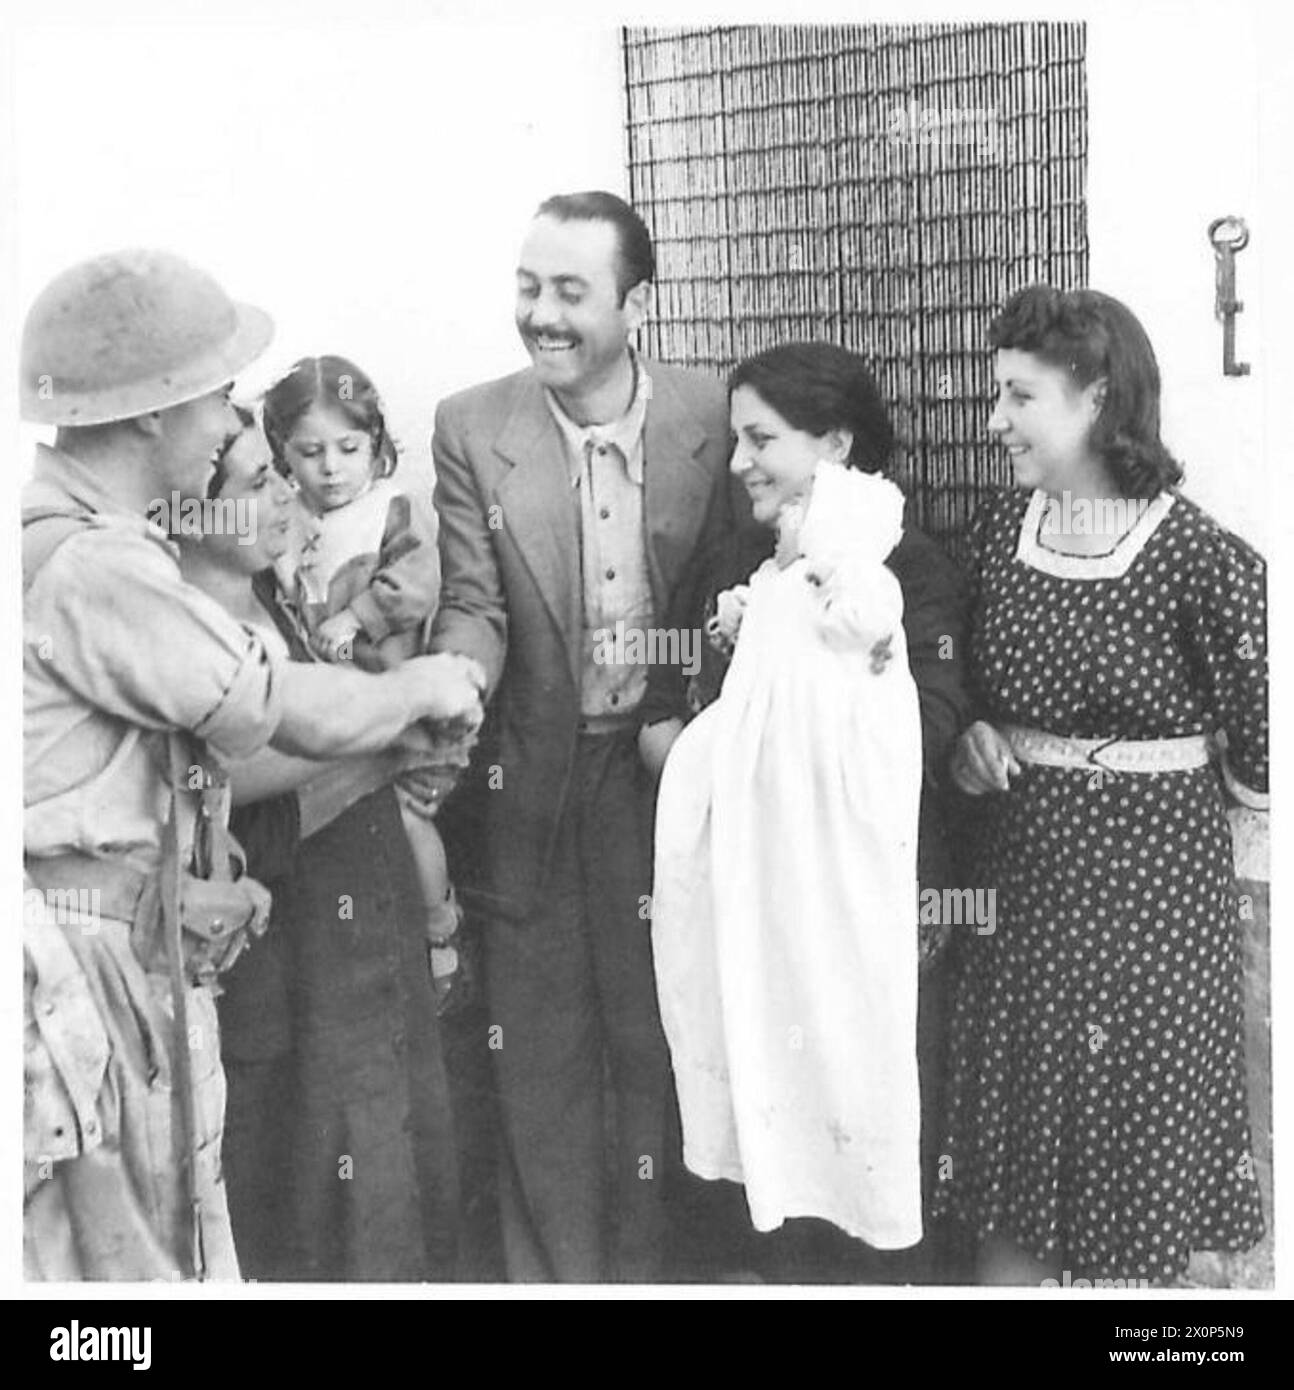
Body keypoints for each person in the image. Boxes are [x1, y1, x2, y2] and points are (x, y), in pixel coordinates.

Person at [21, 249, 482, 1281]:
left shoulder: (75, 540)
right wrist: (418, 689)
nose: (235, 427)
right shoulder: (95, 560)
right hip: (83, 974)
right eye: (221, 399)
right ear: (151, 411)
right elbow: (271, 704)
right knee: (120, 1275)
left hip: (115, 941)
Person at [430, 190, 735, 1282]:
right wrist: (454, 674)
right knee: (540, 1055)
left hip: (668, 780)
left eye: (570, 290)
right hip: (535, 780)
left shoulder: (713, 410)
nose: (542, 314)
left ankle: (659, 1273)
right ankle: (554, 1279)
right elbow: (476, 600)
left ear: (634, 303)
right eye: (528, 286)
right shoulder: (473, 425)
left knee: (661, 1044)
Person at [936, 285, 1267, 1286]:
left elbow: (1262, 748)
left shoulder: (1200, 560)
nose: (993, 421)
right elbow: (957, 687)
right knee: (1019, 1145)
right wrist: (969, 736)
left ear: (1095, 399)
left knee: (1139, 1136)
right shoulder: (998, 538)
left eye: (1017, 396)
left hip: (1154, 906)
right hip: (1021, 894)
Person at [639, 342, 971, 1281]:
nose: (739, 461)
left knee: (865, 1120)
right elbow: (667, 702)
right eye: (734, 438)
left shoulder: (913, 572)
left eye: (761, 439)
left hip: (867, 904)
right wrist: (695, 750)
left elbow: (931, 725)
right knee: (763, 1127)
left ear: (836, 442)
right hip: (749, 904)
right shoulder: (733, 561)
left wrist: (773, 731)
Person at [177, 413, 464, 1281]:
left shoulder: (275, 592)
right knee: (299, 1157)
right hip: (278, 934)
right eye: (258, 481)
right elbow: (206, 783)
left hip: (359, 909)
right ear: (190, 511)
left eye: (278, 473)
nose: (286, 492)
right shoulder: (180, 627)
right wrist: (383, 745)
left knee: (384, 1138)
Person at [263, 356, 473, 1008]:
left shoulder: (393, 509)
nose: (331, 468)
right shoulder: (292, 517)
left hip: (398, 706)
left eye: (349, 448)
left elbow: (418, 581)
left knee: (407, 816)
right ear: (282, 456)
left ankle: (440, 929)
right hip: (335, 721)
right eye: (310, 452)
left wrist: (361, 613)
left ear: (376, 443)